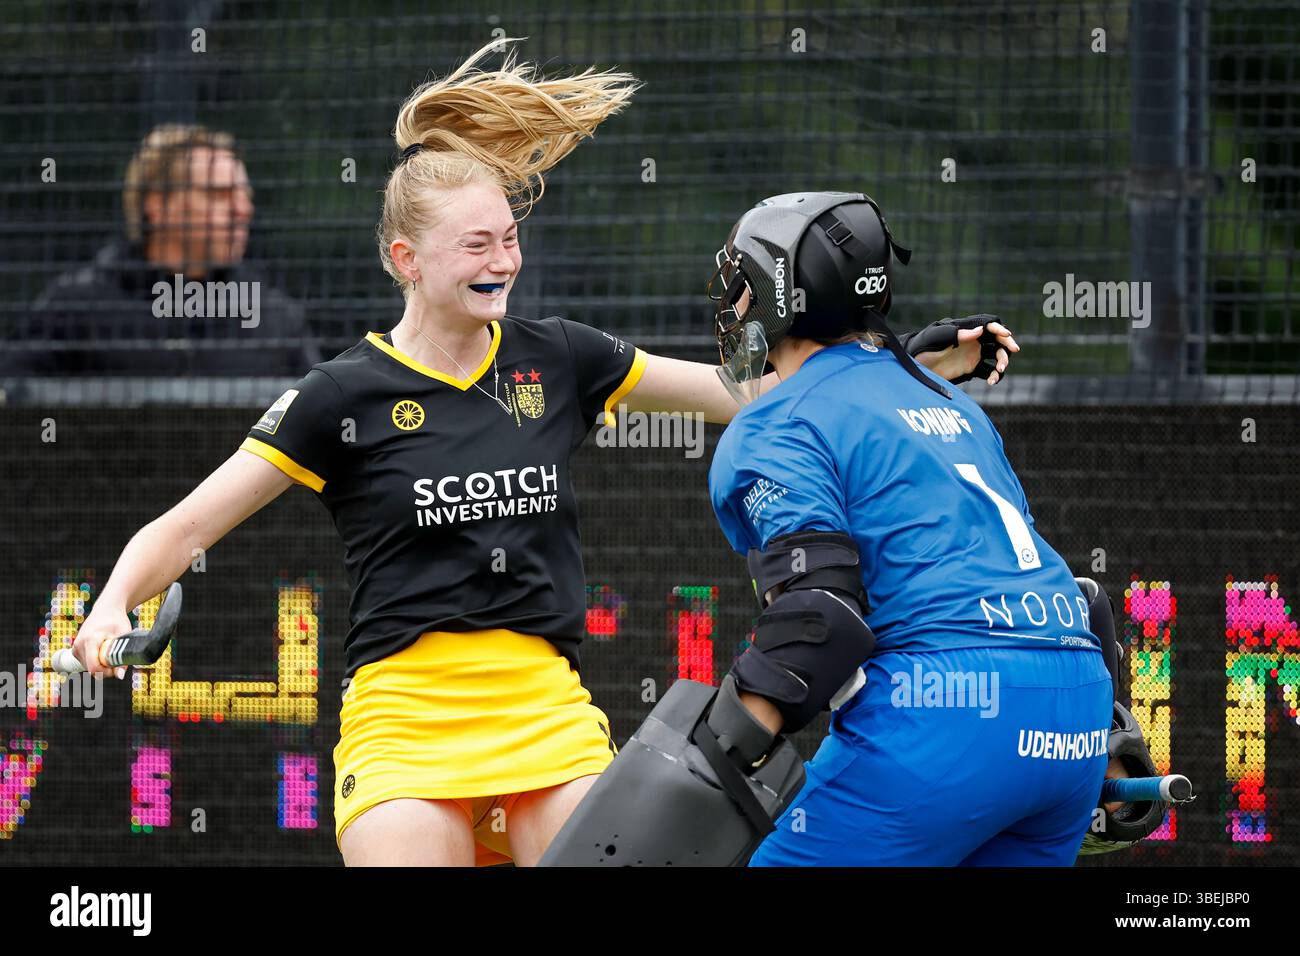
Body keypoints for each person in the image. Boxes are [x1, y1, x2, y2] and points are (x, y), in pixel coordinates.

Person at [69, 42, 1011, 867]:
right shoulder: (340, 396)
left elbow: (751, 394)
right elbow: (184, 526)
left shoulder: (559, 355)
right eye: (477, 243)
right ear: (406, 257)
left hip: (547, 717)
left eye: (510, 238)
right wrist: (109, 606)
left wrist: (906, 361)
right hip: (404, 719)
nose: (503, 260)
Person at [705, 191, 1150, 865]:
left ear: (774, 295)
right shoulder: (951, 403)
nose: (732, 304)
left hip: (943, 716)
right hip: (1075, 713)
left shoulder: (774, 425)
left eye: (741, 286)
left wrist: (710, 758)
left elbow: (815, 619)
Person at [2, 123, 318, 376]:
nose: (243, 209)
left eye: (244, 194)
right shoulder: (76, 309)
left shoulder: (273, 318)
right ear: (158, 204)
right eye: (220, 194)